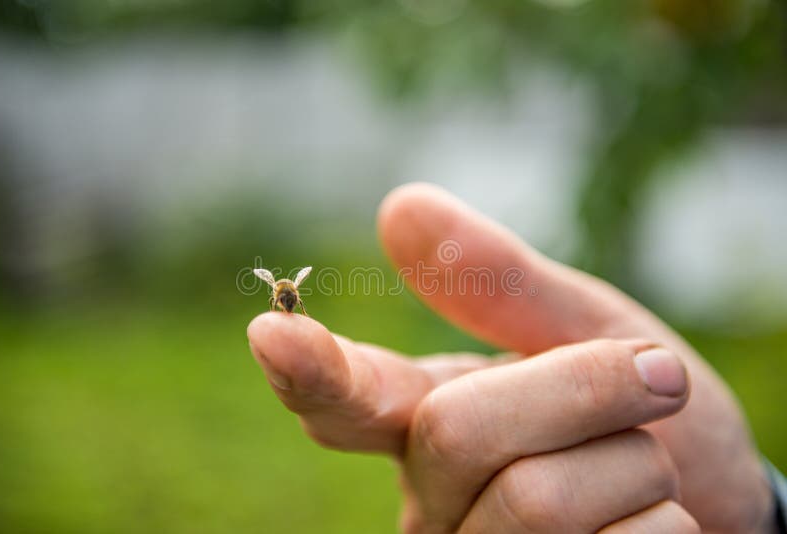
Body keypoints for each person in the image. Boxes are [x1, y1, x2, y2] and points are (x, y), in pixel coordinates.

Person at [247, 182, 786, 533]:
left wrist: (752, 518)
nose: (288, 303)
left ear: (291, 295)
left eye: (290, 300)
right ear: (280, 297)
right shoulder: (281, 297)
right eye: (285, 301)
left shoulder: (294, 294)